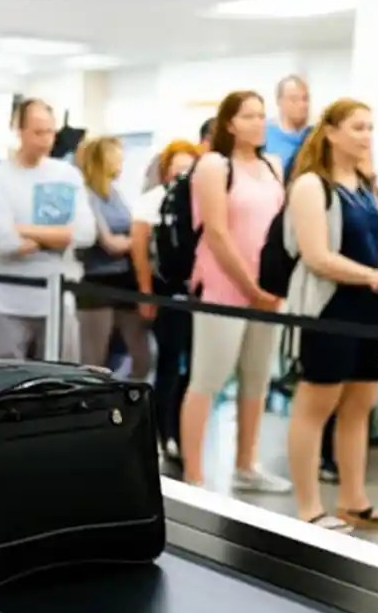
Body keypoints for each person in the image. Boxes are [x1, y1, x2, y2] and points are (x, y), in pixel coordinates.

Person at [282, 99, 378, 532]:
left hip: (368, 306)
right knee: (316, 404)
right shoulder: (312, 185)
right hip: (328, 307)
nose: (366, 135)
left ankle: (354, 501)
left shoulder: (367, 187)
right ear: (330, 132)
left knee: (360, 404)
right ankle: (309, 507)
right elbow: (316, 257)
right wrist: (372, 276)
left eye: (370, 127)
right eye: (357, 127)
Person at [179, 90, 290, 492]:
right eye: (248, 116)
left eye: (262, 116)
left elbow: (280, 229)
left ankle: (247, 463)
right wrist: (250, 286)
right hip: (224, 287)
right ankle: (193, 472)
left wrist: (272, 286)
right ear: (229, 123)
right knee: (208, 378)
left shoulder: (273, 165)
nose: (258, 123)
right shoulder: (213, 165)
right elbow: (218, 233)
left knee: (257, 379)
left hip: (268, 290)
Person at [0, 98, 96, 360]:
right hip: (3, 304)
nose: (46, 139)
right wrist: (60, 236)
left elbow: (85, 234)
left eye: (50, 131)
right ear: (20, 131)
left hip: (57, 303)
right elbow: (2, 241)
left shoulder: (67, 175)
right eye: (38, 132)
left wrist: (24, 229)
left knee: (58, 387)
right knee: (3, 387)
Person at [130, 139, 202, 459]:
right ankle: (161, 433)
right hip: (165, 292)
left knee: (194, 367)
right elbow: (140, 250)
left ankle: (182, 431)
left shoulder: (200, 203)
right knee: (169, 363)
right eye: (178, 167)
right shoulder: (151, 202)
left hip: (197, 294)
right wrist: (146, 292)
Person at [75, 136, 150, 378]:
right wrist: (137, 241)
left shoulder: (115, 194)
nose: (121, 163)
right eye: (117, 157)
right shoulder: (86, 195)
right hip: (97, 282)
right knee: (93, 359)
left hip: (125, 279)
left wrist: (133, 241)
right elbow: (109, 243)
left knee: (142, 356)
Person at [263, 75, 312, 181]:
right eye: (294, 99)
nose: (302, 105)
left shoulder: (315, 134)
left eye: (305, 99)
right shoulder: (264, 133)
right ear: (279, 101)